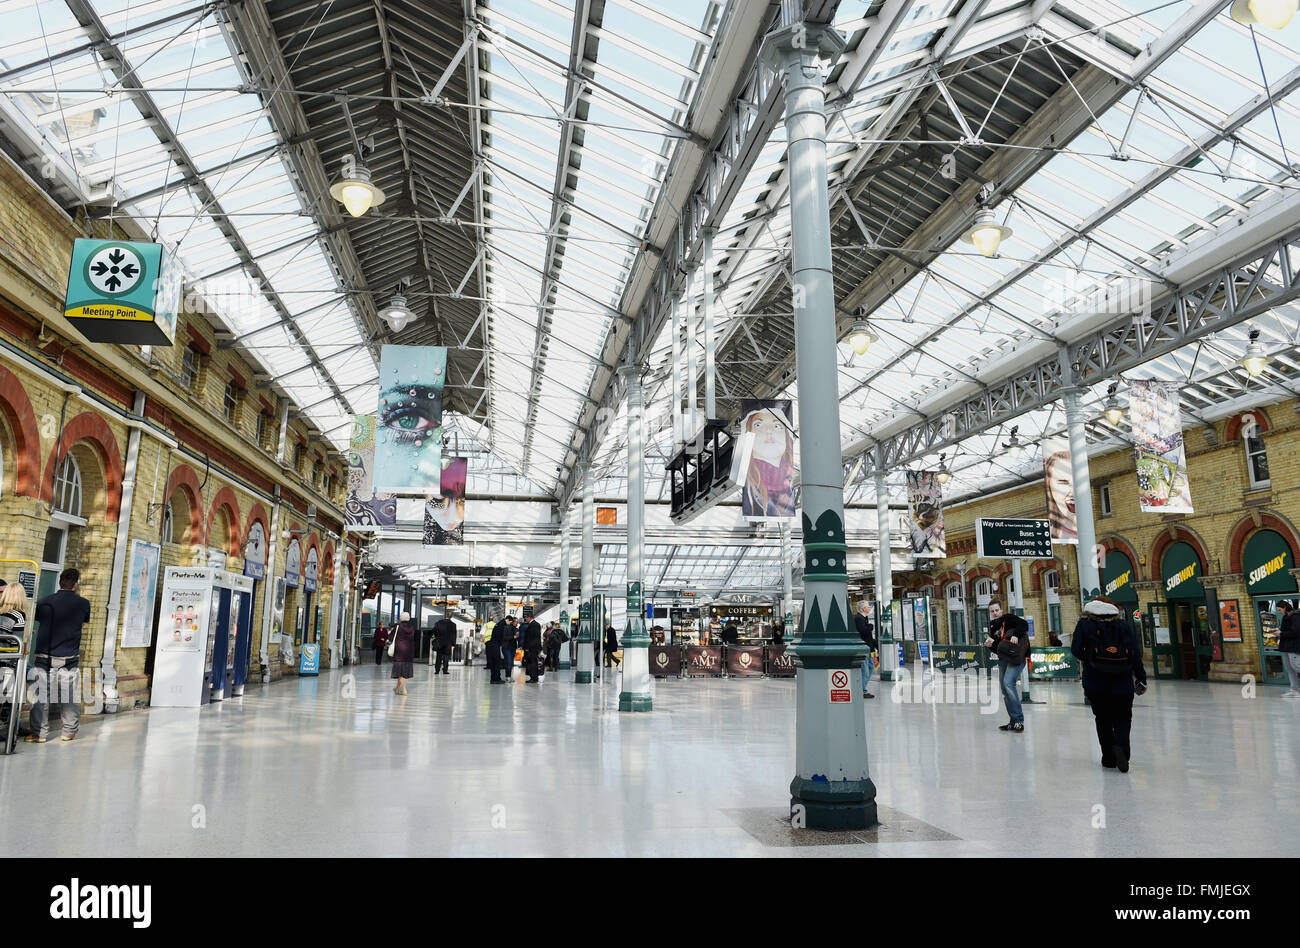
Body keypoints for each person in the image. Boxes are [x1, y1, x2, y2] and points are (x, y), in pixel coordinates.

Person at [1071, 596, 1148, 771]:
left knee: (1103, 719)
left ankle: (1108, 758)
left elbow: (1075, 650)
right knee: (1123, 717)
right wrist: (1141, 677)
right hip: (1122, 680)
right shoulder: (1122, 625)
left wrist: (1089, 659)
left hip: (1095, 682)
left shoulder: (1085, 624)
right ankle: (1121, 749)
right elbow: (1134, 653)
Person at [29, 568, 91, 743]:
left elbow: (41, 621)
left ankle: (39, 733)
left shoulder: (43, 602)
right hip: (69, 657)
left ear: (59, 583)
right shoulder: (83, 603)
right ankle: (68, 732)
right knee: (68, 695)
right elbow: (83, 623)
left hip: (43, 656)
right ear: (76, 584)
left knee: (40, 696)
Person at [983, 600, 1029, 733]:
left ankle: (1019, 721)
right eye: (992, 611)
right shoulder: (993, 626)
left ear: (1001, 610)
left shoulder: (1008, 618)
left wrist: (1015, 634)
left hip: (1016, 658)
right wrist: (991, 646)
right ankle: (1013, 721)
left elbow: (1023, 624)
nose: (995, 613)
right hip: (1004, 658)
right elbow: (998, 649)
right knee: (1004, 689)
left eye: (997, 610)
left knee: (1009, 683)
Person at [1276, 599, 1300, 697]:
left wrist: (1281, 633)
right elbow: (1285, 631)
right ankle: (1294, 690)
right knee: (1289, 668)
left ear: (1285, 607)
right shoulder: (1285, 617)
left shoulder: (1296, 617)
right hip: (1285, 646)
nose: (1279, 612)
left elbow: (1295, 632)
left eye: (1280, 610)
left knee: (1297, 666)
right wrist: (1279, 632)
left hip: (1293, 646)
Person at [855, 601, 876, 698]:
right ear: (863, 609)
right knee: (865, 670)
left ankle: (861, 688)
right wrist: (870, 626)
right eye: (868, 606)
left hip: (868, 647)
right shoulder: (859, 619)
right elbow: (863, 631)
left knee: (871, 667)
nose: (869, 608)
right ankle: (861, 690)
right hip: (863, 647)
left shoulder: (863, 618)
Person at [390, 613, 415, 696]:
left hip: (399, 653)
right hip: (408, 653)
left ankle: (404, 690)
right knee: (402, 672)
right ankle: (397, 688)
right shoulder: (411, 628)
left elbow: (390, 637)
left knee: (400, 673)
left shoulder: (398, 627)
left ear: (401, 618)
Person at [521, 614, 544, 682]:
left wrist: (528, 647)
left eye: (526, 618)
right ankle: (533, 677)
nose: (526, 619)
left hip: (532, 648)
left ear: (529, 617)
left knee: (532, 662)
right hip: (533, 647)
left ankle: (534, 678)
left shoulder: (534, 625)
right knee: (532, 662)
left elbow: (534, 637)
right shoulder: (534, 624)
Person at [499, 616, 519, 681]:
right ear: (512, 622)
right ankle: (508, 676)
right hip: (506, 647)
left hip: (512, 647)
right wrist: (514, 637)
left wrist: (518, 636)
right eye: (516, 621)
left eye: (517, 622)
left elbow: (517, 637)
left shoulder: (516, 629)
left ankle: (509, 676)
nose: (517, 623)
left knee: (510, 662)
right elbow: (504, 638)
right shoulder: (505, 628)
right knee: (509, 662)